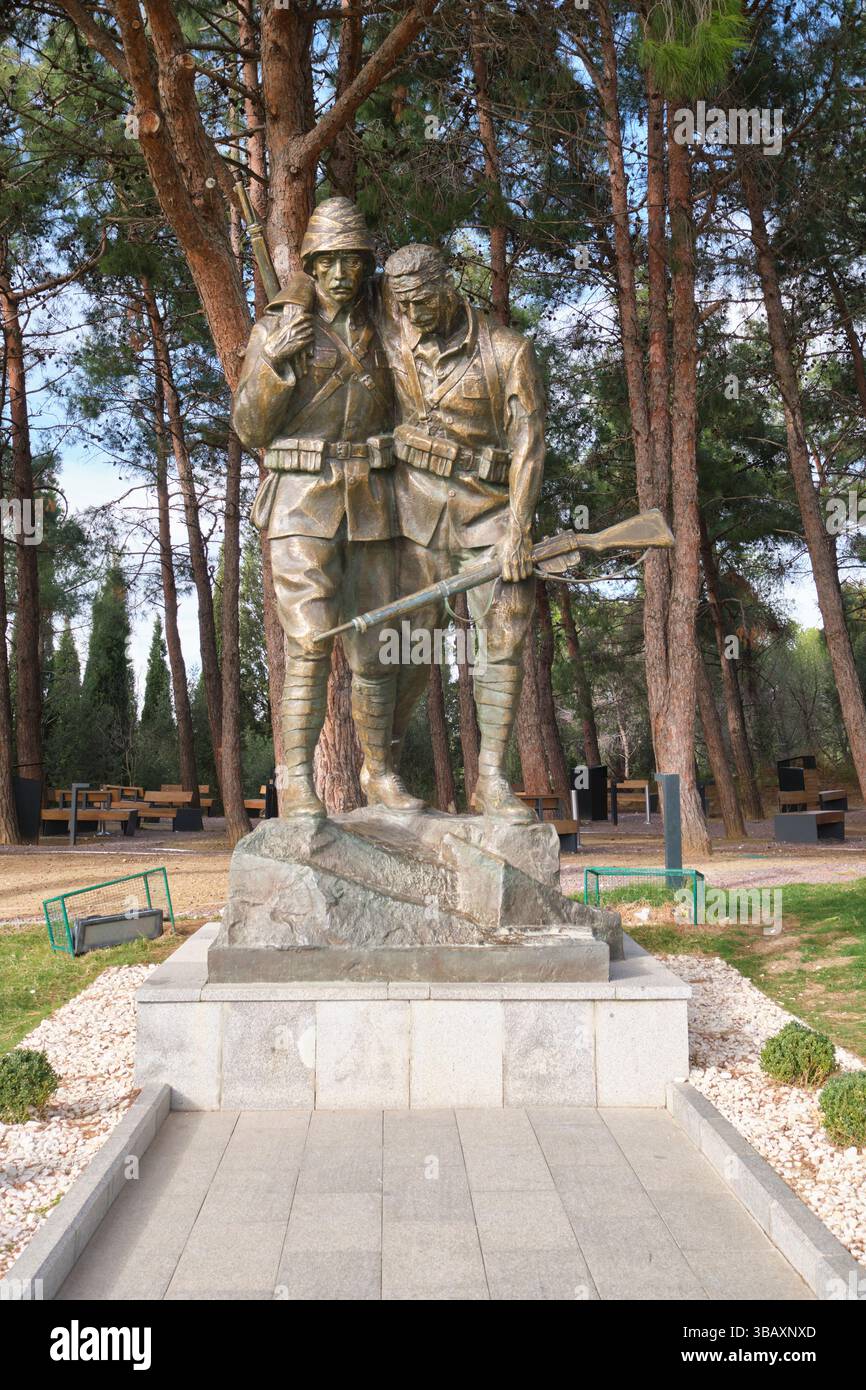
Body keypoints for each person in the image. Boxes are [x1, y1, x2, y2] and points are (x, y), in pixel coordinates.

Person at [233, 198, 422, 819]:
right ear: (311, 264)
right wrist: (274, 363)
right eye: (329, 260)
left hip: (371, 498)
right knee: (311, 642)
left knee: (376, 645)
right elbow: (250, 429)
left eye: (353, 260)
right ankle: (294, 779)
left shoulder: (385, 326)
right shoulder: (277, 327)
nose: (342, 272)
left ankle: (381, 773)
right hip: (299, 500)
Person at [380, 243, 546, 823]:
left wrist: (519, 530)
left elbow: (529, 444)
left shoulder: (507, 350)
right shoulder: (391, 332)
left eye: (422, 300)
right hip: (413, 514)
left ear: (448, 285)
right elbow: (326, 296)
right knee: (397, 645)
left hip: (489, 512)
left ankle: (493, 779)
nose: (413, 314)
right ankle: (382, 771)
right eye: (401, 304)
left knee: (504, 631)